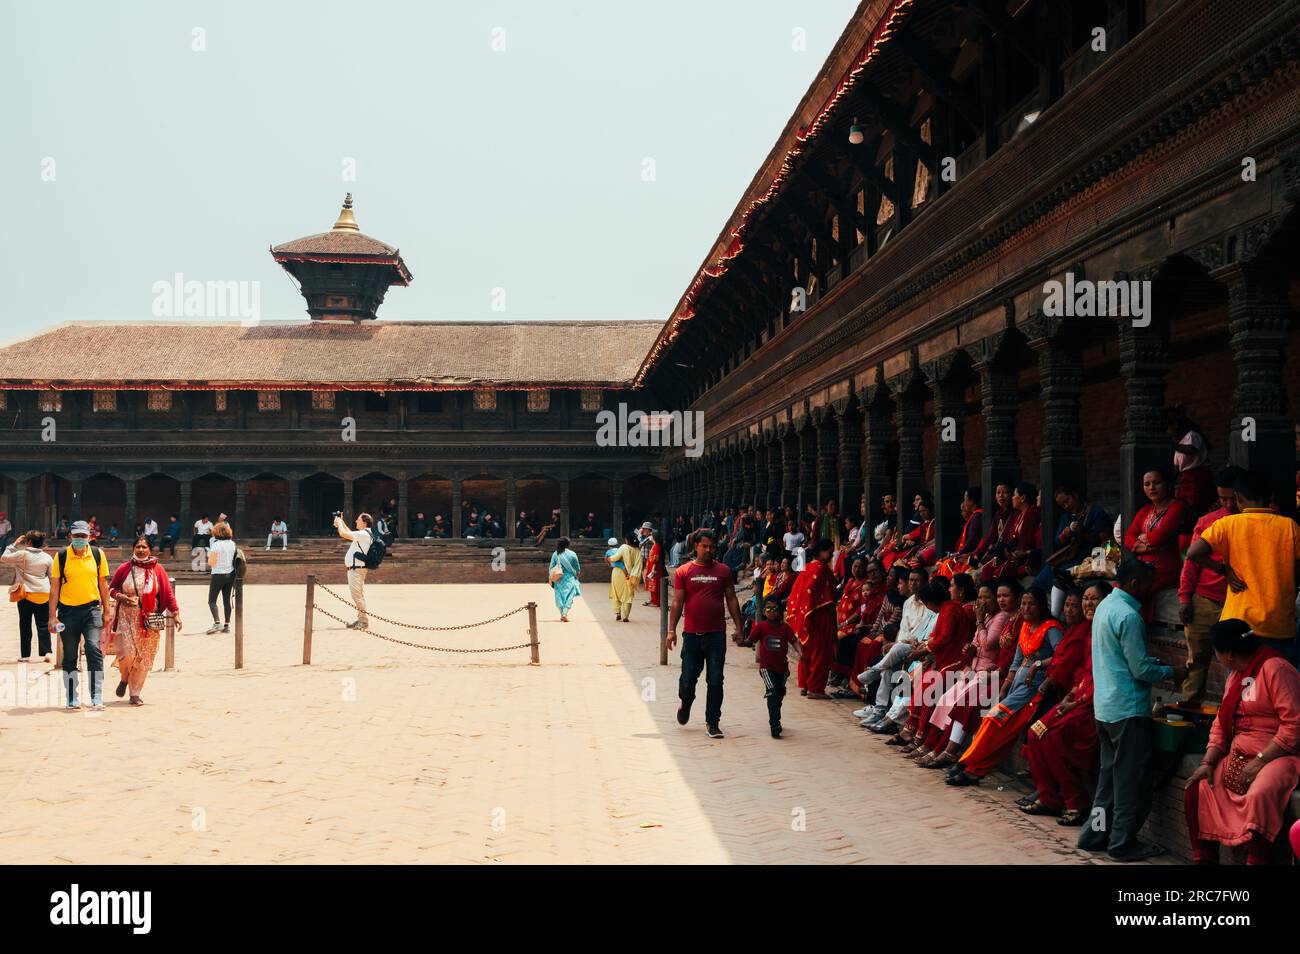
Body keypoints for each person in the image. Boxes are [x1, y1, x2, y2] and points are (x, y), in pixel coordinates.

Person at [1076, 558, 1179, 861]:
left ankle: (1094, 834)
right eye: (1147, 585)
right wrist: (1171, 672)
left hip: (1105, 708)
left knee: (1108, 779)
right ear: (1135, 584)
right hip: (1127, 709)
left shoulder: (1106, 607)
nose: (1150, 591)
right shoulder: (1129, 616)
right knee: (1129, 779)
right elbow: (1140, 669)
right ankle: (1121, 842)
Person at [1185, 618, 1300, 865]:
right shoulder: (1235, 676)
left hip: (1282, 755)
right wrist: (1208, 761)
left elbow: (1294, 725)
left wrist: (1260, 760)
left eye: (1216, 652)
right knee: (1198, 788)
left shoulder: (1276, 669)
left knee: (1261, 794)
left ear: (1226, 654)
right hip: (1240, 751)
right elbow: (1221, 723)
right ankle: (1205, 861)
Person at [947, 585, 1065, 786]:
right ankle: (974, 770)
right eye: (1024, 604)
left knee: (995, 722)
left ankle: (966, 762)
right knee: (997, 726)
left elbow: (1061, 656)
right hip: (1016, 687)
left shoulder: (1051, 628)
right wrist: (1004, 688)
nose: (1027, 608)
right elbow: (1017, 661)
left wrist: (1038, 664)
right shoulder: (1026, 627)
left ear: (1041, 606)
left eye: (1032, 604)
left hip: (1032, 692)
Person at [1189, 468, 1300, 662]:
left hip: (1238, 624)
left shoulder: (1227, 524)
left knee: (1242, 687)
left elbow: (1194, 553)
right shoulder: (1289, 527)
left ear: (1238, 498)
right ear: (1271, 496)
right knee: (1275, 684)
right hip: (1278, 625)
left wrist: (1224, 570)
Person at [1020, 583, 1110, 821]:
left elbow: (1101, 674)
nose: (1087, 605)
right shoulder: (1082, 630)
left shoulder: (1097, 631)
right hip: (1075, 696)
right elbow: (1080, 670)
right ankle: (1049, 796)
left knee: (1052, 738)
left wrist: (1076, 698)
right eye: (1085, 600)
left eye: (1094, 599)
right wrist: (1071, 693)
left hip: (1091, 704)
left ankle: (1075, 802)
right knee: (1034, 733)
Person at [668, 529, 743, 740]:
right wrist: (671, 630)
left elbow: (732, 599)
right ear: (696, 546)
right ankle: (686, 701)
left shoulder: (724, 571)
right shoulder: (684, 571)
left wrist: (738, 627)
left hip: (716, 636)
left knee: (716, 679)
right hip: (692, 635)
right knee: (688, 678)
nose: (709, 550)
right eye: (705, 546)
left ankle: (713, 722)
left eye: (712, 547)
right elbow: (677, 602)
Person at [1176, 468, 1239, 704]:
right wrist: (1184, 599)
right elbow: (1190, 563)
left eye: (1234, 497)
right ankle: (1188, 714)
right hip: (1203, 600)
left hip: (1238, 601)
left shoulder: (1254, 520)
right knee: (1196, 662)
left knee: (1237, 663)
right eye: (1223, 498)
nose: (1229, 504)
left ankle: (1233, 715)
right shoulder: (1208, 521)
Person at [107, 536, 182, 706]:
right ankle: (125, 677)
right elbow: (111, 588)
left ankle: (135, 693)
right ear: (133, 548)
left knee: (144, 658)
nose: (141, 550)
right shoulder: (124, 568)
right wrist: (121, 596)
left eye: (144, 547)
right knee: (128, 653)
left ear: (150, 550)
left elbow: (168, 594)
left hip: (149, 620)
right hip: (127, 616)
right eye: (138, 546)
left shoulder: (158, 570)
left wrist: (176, 613)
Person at [48, 521, 111, 710]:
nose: (80, 540)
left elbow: (103, 585)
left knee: (93, 649)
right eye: (77, 536)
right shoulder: (61, 556)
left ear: (90, 537)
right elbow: (54, 587)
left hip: (92, 610)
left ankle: (96, 695)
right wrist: (52, 616)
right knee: (69, 654)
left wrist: (107, 611)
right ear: (70, 537)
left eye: (83, 536)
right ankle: (71, 696)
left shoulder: (98, 555)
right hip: (68, 612)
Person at [1124, 469, 1189, 612]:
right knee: (1120, 586)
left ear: (1166, 484)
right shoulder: (1146, 510)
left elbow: (1161, 536)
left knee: (1136, 590)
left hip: (1165, 568)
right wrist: (1148, 547)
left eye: (1157, 483)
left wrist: (1143, 538)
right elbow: (1128, 537)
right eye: (1147, 484)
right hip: (1142, 567)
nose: (1152, 487)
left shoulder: (1176, 507)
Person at [786, 538, 838, 699]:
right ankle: (815, 688)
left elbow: (797, 592)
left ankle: (805, 685)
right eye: (829, 551)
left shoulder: (807, 568)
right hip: (819, 616)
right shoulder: (822, 569)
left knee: (806, 651)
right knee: (820, 653)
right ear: (822, 551)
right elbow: (818, 593)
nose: (831, 555)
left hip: (804, 615)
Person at [3, 530, 54, 662]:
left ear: (29, 542)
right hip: (43, 594)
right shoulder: (47, 558)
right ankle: (47, 651)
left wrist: (14, 544)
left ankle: (25, 655)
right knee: (43, 624)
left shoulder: (22, 555)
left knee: (25, 624)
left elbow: (4, 557)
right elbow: (52, 578)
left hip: (25, 594)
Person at [752, 599, 797, 738]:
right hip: (766, 668)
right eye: (768, 609)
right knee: (772, 692)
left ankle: (776, 716)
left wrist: (801, 653)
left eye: (774, 609)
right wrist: (740, 639)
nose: (771, 612)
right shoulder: (761, 626)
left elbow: (794, 642)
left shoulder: (785, 628)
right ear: (764, 611)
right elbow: (751, 639)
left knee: (779, 693)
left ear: (780, 611)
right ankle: (775, 724)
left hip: (782, 669)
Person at [1167, 405, 1214, 523]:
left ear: (1176, 425)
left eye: (1168, 427)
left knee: (1198, 509)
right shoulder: (1179, 445)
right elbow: (1176, 469)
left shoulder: (1192, 436)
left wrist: (1171, 445)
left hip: (1198, 478)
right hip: (1185, 481)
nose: (1167, 431)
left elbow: (1191, 449)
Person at [335, 512, 374, 631]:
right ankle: (361, 618)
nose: (356, 521)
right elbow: (348, 533)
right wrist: (341, 523)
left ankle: (363, 622)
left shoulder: (363, 534)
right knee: (358, 595)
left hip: (356, 569)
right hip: (357, 569)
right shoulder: (365, 534)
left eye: (358, 520)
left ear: (364, 522)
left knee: (357, 596)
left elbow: (343, 533)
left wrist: (339, 524)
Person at [934, 488, 983, 578]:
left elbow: (972, 541)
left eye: (965, 500)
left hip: (969, 555)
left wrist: (959, 553)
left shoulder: (977, 516)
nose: (964, 503)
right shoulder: (974, 515)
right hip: (964, 553)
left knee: (946, 565)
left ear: (971, 501)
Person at [206, 521, 237, 634]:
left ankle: (217, 623)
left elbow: (212, 563)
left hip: (218, 574)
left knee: (212, 601)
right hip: (230, 574)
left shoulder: (216, 545)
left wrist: (208, 556)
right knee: (226, 600)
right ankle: (227, 625)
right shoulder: (232, 544)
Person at [608, 532, 642, 622]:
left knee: (617, 593)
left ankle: (618, 613)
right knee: (628, 595)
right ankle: (625, 616)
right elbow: (638, 565)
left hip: (618, 573)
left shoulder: (624, 547)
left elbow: (615, 558)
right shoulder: (638, 551)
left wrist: (609, 558)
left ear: (627, 540)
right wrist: (631, 575)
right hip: (630, 576)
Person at [548, 537, 581, 622]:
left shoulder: (555, 554)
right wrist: (577, 575)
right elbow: (577, 568)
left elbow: (551, 567)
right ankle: (564, 614)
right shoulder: (572, 554)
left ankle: (562, 613)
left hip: (558, 579)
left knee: (559, 596)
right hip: (569, 578)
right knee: (569, 596)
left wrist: (551, 578)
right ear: (568, 544)